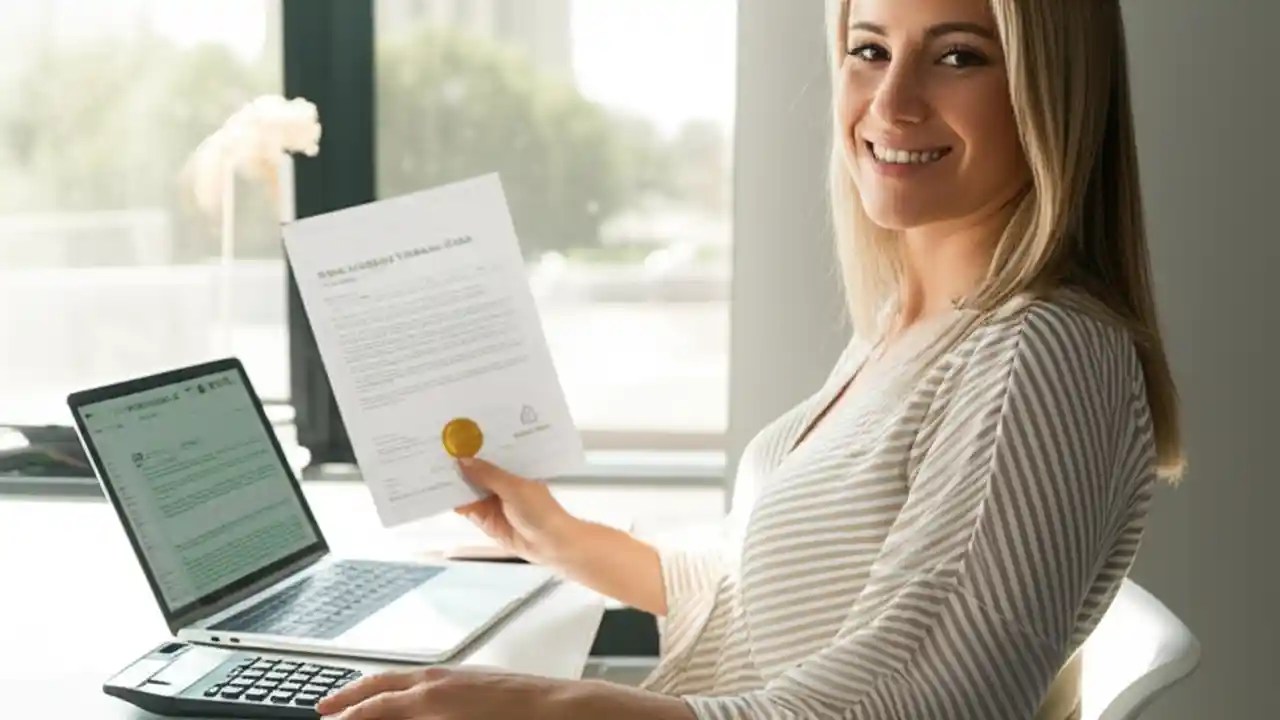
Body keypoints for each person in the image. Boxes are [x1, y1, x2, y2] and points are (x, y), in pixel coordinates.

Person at [317, 0, 1184, 717]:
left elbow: (931, 699)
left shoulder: (1044, 354)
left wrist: (552, 708)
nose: (892, 103)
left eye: (959, 57)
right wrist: (561, 536)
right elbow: (772, 600)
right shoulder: (908, 328)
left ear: (1051, 89)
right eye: (869, 50)